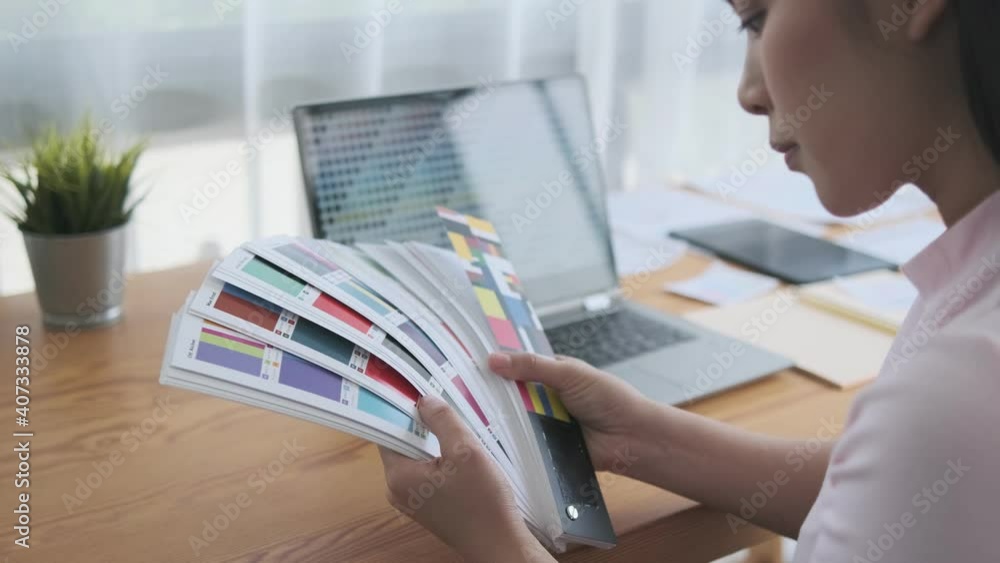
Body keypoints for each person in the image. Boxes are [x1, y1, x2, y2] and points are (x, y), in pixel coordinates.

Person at [378, 0, 1000, 560]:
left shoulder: (956, 391)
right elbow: (892, 490)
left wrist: (493, 542)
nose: (747, 93)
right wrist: (638, 440)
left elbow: (922, 461)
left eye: (755, 19)